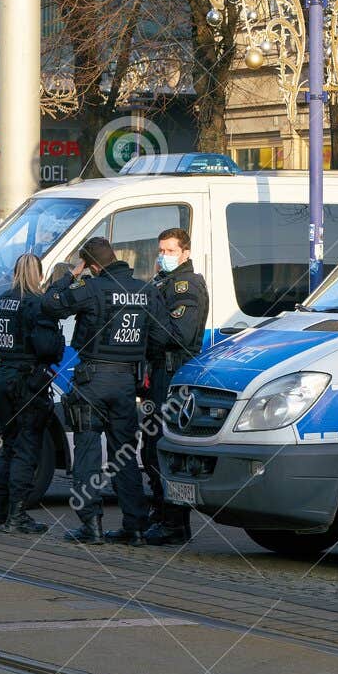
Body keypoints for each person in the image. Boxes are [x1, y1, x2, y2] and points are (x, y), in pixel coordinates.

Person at [42, 237, 155, 545]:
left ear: (91, 265)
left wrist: (69, 277)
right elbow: (159, 336)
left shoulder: (91, 288)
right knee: (124, 455)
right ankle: (135, 527)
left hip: (93, 381)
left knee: (88, 452)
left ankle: (91, 524)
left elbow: (50, 303)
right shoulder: (146, 290)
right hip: (126, 383)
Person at [0, 254, 64, 534]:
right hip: (27, 383)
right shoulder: (37, 303)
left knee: (10, 444)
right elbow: (48, 349)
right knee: (27, 449)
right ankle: (17, 516)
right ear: (38, 275)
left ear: (15, 272)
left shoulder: (1, 300)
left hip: (2, 379)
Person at [140, 227, 208, 546]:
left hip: (173, 373)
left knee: (163, 448)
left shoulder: (185, 285)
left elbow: (176, 334)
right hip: (160, 372)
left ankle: (174, 523)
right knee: (150, 447)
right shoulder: (164, 283)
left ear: (185, 253)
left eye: (170, 251)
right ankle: (161, 513)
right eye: (161, 251)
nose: (163, 257)